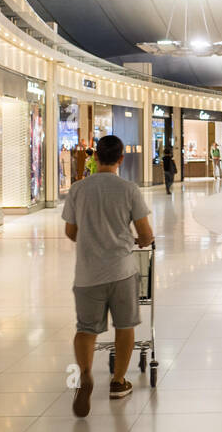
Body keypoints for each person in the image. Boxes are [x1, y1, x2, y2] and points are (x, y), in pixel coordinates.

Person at [63, 135, 155, 416]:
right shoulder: (128, 189)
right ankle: (117, 381)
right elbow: (146, 233)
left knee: (85, 328)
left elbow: (70, 231)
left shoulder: (78, 189)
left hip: (87, 273)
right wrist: (138, 240)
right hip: (122, 271)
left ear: (95, 157)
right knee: (125, 326)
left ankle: (86, 373)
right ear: (121, 159)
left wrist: (91, 236)